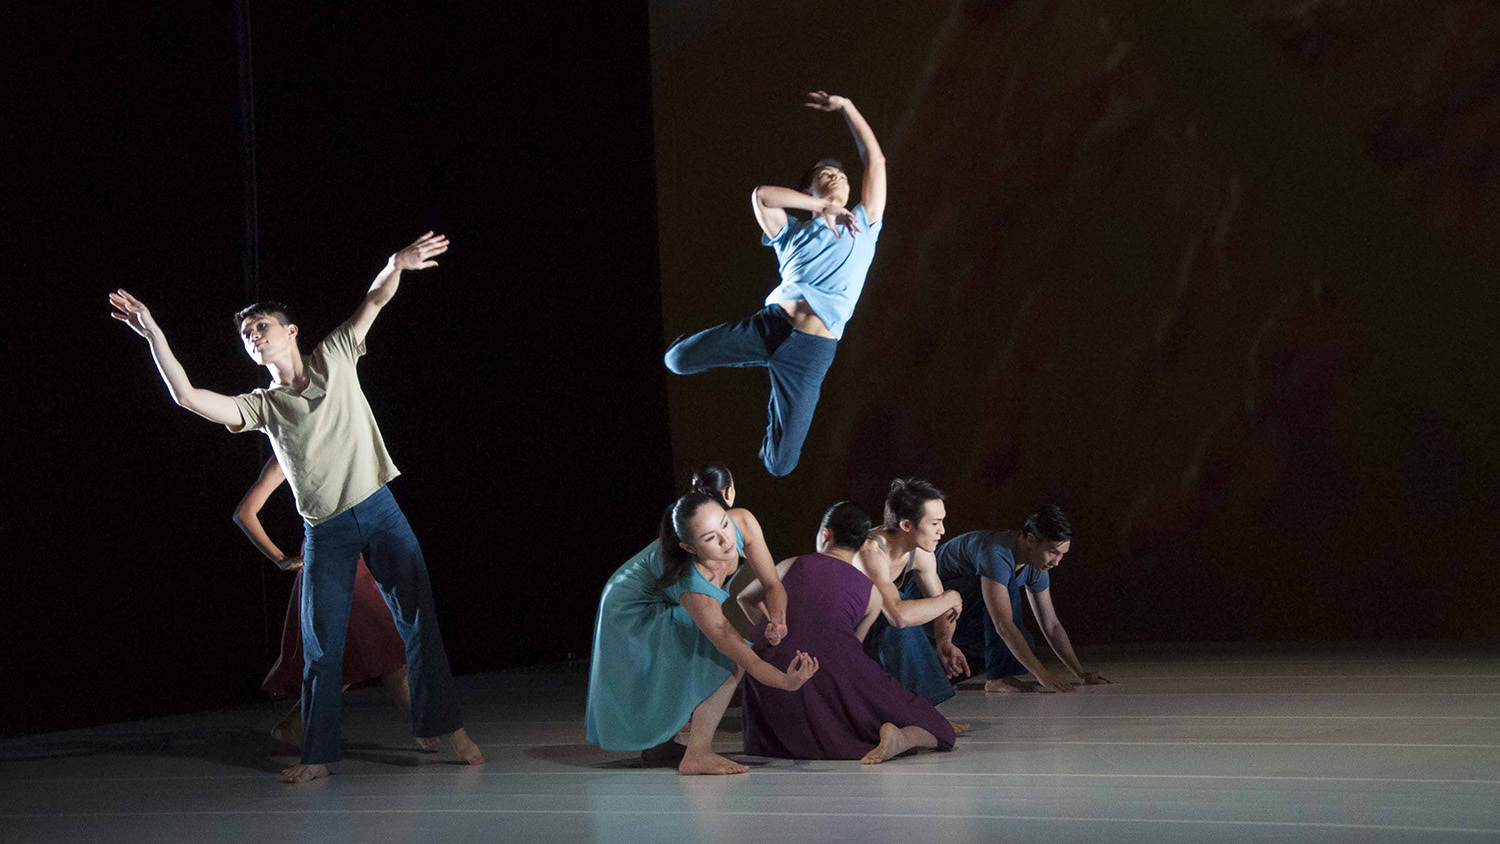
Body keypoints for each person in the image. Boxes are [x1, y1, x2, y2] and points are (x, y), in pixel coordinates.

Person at [109, 232, 482, 784]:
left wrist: (395, 264)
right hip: (325, 532)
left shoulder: (335, 356)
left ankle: (447, 728)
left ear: (290, 331)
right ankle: (317, 754)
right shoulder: (264, 406)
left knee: (418, 623)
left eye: (261, 326)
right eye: (246, 335)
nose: (253, 337)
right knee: (322, 646)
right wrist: (153, 334)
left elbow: (374, 300)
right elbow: (188, 397)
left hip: (380, 508)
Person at [664, 91, 887, 476]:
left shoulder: (865, 224)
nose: (837, 177)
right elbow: (762, 196)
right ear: (808, 193)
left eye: (842, 177)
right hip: (769, 327)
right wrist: (823, 207)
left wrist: (847, 106)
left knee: (781, 464)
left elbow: (875, 160)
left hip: (812, 352)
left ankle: (775, 387)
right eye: (826, 176)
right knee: (676, 360)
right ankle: (754, 355)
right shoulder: (791, 233)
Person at [585, 490, 817, 776]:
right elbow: (746, 659)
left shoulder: (743, 522)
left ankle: (661, 747)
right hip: (631, 609)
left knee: (710, 653)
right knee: (725, 660)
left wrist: (778, 618)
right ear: (689, 548)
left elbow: (772, 584)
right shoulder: (694, 588)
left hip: (658, 597)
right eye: (710, 538)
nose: (726, 540)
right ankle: (697, 754)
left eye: (724, 524)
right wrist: (786, 682)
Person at [233, 456, 434, 751]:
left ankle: (296, 726)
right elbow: (245, 513)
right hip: (329, 558)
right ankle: (424, 725)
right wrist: (280, 559)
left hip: (359, 554)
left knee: (375, 646)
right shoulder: (287, 453)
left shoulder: (340, 441)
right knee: (373, 644)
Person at [738, 502, 958, 764]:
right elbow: (851, 651)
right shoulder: (872, 593)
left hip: (769, 677)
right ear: (863, 545)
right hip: (827, 670)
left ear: (826, 534)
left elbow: (744, 598)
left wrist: (775, 626)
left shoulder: (789, 565)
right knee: (940, 728)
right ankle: (903, 738)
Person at [935, 505, 1114, 693]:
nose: (1057, 562)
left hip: (960, 615)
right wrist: (1042, 674)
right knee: (1007, 595)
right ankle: (997, 678)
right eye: (1053, 552)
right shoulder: (996, 553)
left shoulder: (1036, 566)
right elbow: (1002, 623)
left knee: (1021, 642)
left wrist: (1081, 674)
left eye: (1062, 554)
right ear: (1030, 540)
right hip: (933, 607)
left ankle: (935, 674)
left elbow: (1051, 625)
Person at [860, 478, 966, 707]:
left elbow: (942, 608)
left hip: (866, 626)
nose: (942, 531)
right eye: (935, 523)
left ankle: (920, 711)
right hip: (830, 625)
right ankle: (921, 711)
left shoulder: (921, 552)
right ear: (906, 525)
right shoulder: (871, 551)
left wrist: (944, 641)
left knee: (905, 608)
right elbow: (898, 616)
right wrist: (951, 596)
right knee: (898, 608)